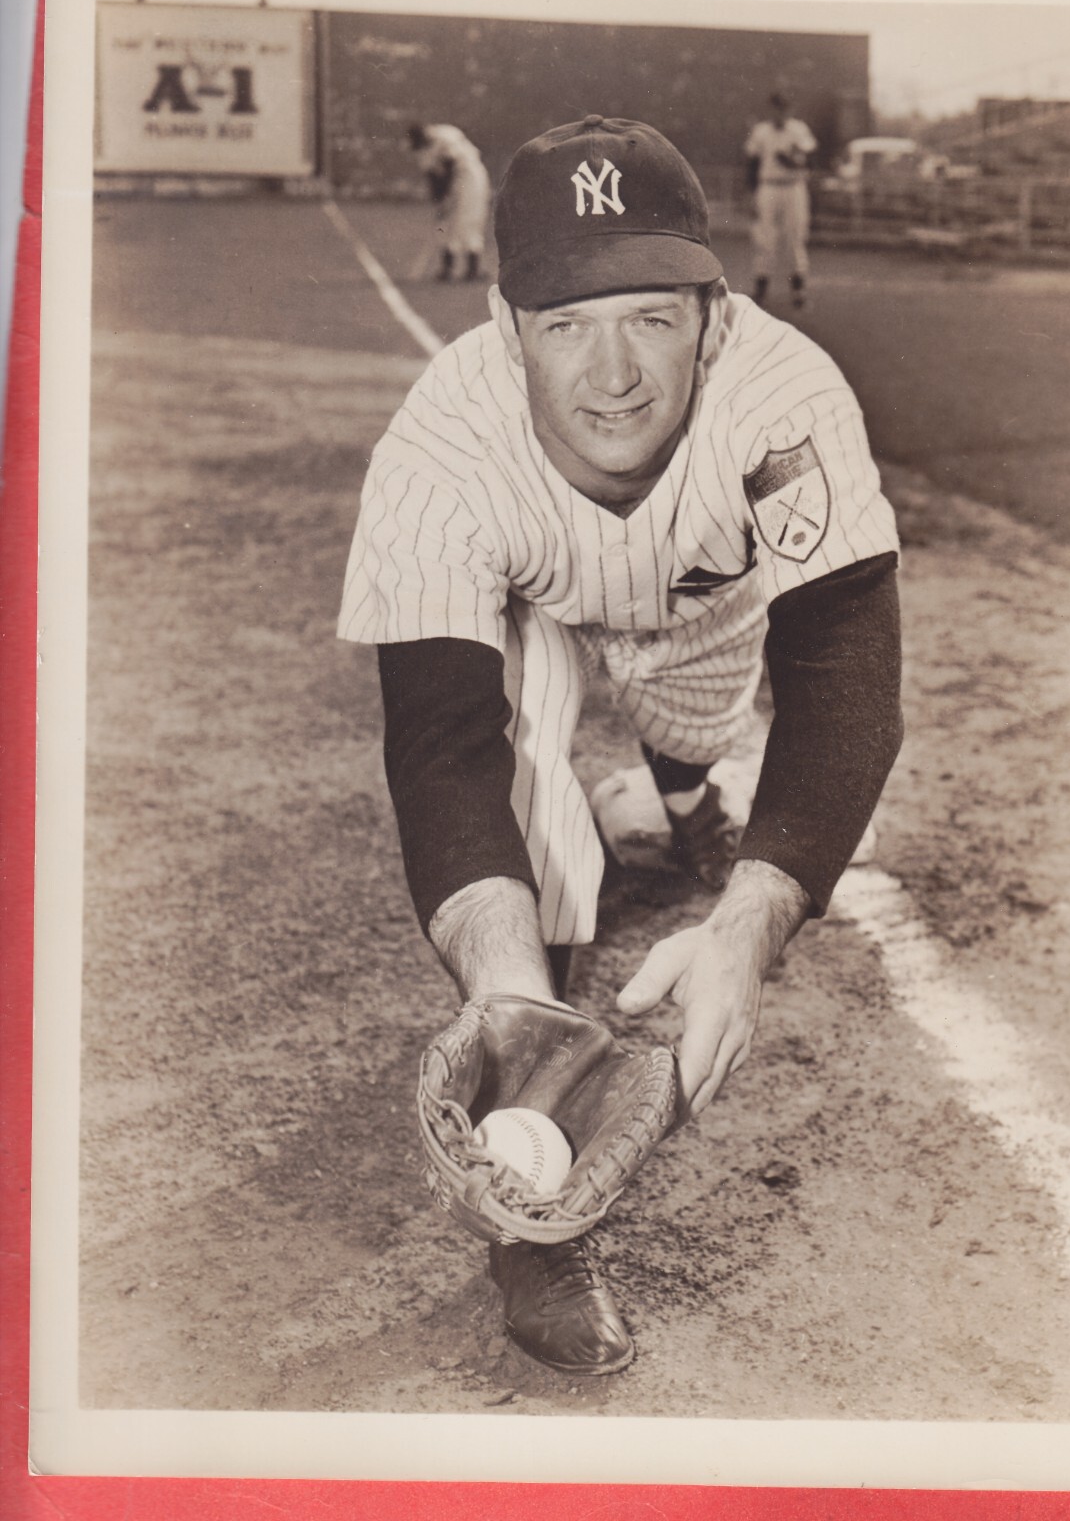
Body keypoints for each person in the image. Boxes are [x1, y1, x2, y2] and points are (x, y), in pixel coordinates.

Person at [339, 116, 902, 1376]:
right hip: (528, 606)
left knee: (696, 736)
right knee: (540, 823)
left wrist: (748, 929)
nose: (612, 374)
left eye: (650, 315)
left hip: (703, 606)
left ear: (712, 315)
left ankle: (682, 795)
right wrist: (505, 997)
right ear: (505, 329)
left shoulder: (783, 401)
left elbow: (844, 682)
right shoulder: (439, 451)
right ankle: (534, 1222)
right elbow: (442, 746)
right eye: (565, 323)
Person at [743, 91, 817, 308]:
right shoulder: (761, 131)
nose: (780, 113)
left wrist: (793, 162)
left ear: (790, 110)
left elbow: (810, 157)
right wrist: (751, 193)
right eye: (776, 108)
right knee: (764, 237)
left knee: (795, 236)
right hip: (768, 186)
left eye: (784, 108)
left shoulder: (799, 129)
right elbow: (752, 162)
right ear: (771, 110)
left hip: (793, 187)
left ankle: (798, 288)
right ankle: (761, 286)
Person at [407, 122, 491, 282]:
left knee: (468, 220)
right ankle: (448, 268)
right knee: (445, 224)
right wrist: (439, 201)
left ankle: (472, 269)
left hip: (470, 178)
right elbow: (433, 178)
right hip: (454, 182)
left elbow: (450, 166)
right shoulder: (423, 151)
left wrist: (446, 196)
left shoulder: (446, 134)